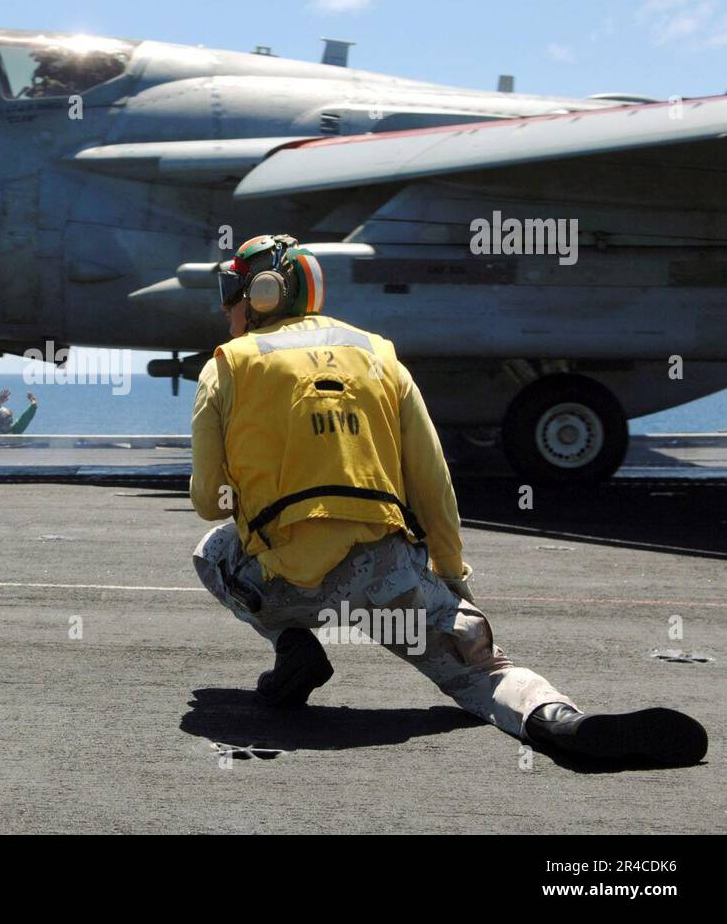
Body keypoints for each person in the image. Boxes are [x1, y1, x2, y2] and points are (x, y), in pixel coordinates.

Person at [190, 233, 708, 767]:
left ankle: (292, 642)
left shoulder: (228, 364)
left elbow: (209, 500)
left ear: (266, 292)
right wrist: (452, 578)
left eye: (233, 291)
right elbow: (432, 482)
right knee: (483, 674)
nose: (228, 307)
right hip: (389, 575)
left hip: (285, 579)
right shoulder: (379, 355)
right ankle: (559, 721)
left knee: (212, 551)